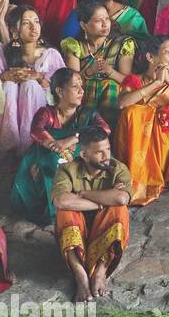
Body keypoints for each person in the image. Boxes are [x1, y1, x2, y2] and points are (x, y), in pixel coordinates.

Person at [9, 67, 107, 225]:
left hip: (78, 161)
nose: (82, 91)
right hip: (51, 158)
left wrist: (73, 139)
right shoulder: (46, 113)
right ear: (60, 91)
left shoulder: (88, 113)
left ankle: (79, 201)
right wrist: (55, 145)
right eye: (75, 86)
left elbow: (104, 129)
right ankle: (54, 206)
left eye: (81, 86)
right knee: (51, 158)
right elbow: (36, 131)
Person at [114, 35, 169, 205]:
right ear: (150, 57)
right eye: (168, 53)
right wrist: (155, 83)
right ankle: (142, 180)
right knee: (132, 113)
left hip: (168, 145)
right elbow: (122, 104)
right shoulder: (134, 80)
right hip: (143, 151)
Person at [51, 126, 132, 302]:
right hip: (77, 229)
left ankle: (100, 272)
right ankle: (80, 275)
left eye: (108, 149)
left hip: (104, 226)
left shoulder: (118, 169)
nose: (106, 156)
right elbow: (61, 201)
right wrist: (103, 201)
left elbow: (121, 199)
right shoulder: (67, 170)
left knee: (119, 211)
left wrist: (82, 194)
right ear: (84, 155)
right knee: (64, 213)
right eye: (99, 152)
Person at [0, 5, 65, 159]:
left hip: (43, 113)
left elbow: (62, 89)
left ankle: (28, 146)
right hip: (3, 110)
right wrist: (4, 76)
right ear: (13, 30)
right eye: (26, 23)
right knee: (8, 87)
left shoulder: (51, 54)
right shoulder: (1, 52)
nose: (34, 27)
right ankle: (8, 145)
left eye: (36, 21)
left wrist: (38, 77)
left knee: (30, 86)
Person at [61, 0, 137, 128]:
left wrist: (110, 72)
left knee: (108, 85)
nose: (105, 24)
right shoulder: (74, 46)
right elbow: (72, 83)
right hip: (83, 97)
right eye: (98, 21)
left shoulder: (122, 44)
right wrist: (90, 72)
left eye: (107, 19)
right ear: (84, 25)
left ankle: (107, 134)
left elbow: (128, 81)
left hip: (112, 99)